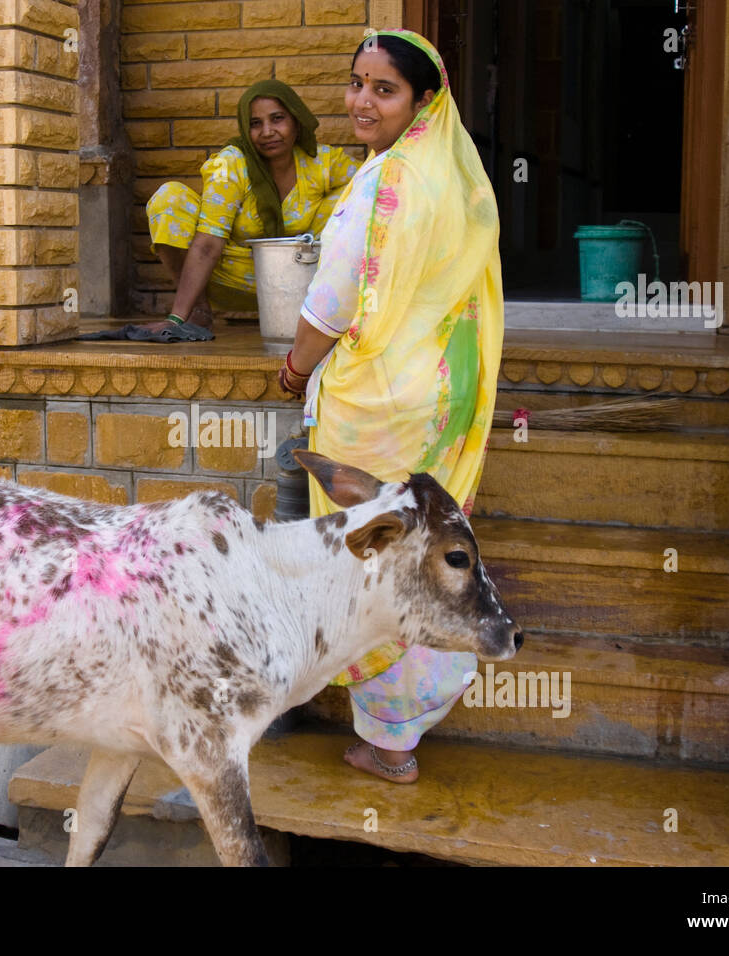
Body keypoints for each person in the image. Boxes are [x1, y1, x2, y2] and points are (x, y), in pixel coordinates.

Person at [279, 31, 504, 783]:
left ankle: (386, 740)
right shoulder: (457, 178)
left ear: (421, 100)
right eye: (356, 83)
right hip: (441, 392)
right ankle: (407, 719)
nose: (362, 101)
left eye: (384, 89)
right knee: (422, 544)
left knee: (376, 560)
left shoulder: (386, 181)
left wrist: (294, 365)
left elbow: (335, 296)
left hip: (379, 397)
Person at [138, 80, 359, 334]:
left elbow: (379, 183)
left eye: (277, 119)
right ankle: (198, 310)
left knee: (360, 197)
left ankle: (328, 314)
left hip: (302, 277)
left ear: (296, 122)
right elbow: (208, 243)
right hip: (234, 274)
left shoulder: (321, 162)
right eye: (255, 123)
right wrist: (176, 319)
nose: (267, 131)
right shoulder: (231, 163)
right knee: (169, 199)